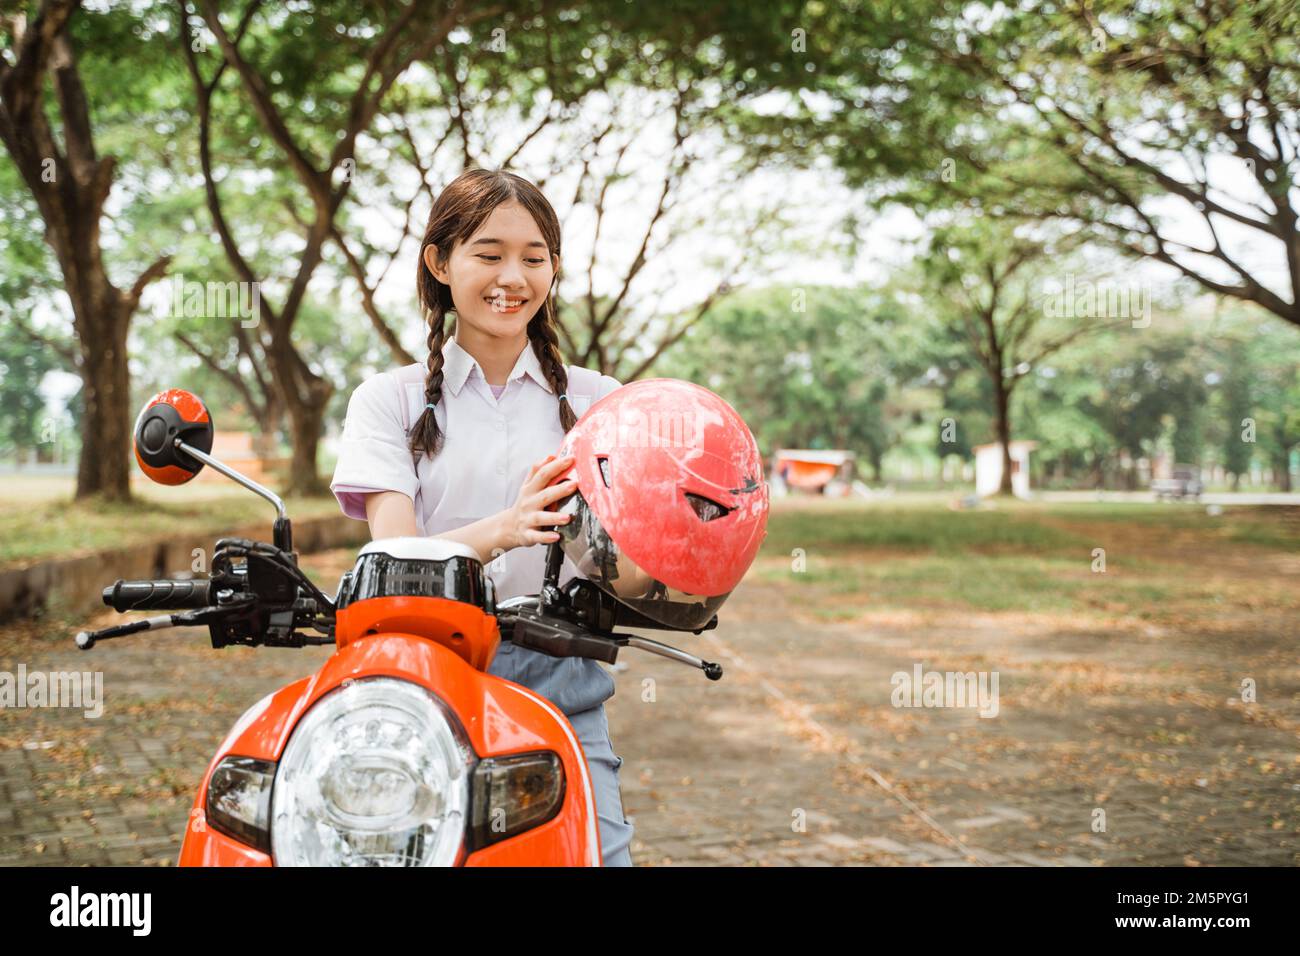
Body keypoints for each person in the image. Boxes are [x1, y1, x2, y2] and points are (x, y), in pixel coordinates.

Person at [329, 167, 633, 866]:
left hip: (565, 683)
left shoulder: (602, 400)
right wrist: (505, 527)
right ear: (441, 262)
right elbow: (395, 558)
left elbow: (630, 548)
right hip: (424, 682)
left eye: (534, 257)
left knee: (598, 855)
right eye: (488, 254)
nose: (512, 277)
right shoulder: (389, 400)